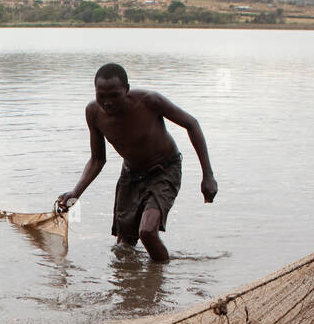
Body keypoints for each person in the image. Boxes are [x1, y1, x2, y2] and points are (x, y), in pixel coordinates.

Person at [57, 63, 217, 261]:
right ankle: (138, 286)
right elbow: (98, 159)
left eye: (114, 95)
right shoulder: (93, 113)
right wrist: (75, 194)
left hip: (164, 170)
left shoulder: (150, 102)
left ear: (126, 89)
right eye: (101, 96)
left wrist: (207, 175)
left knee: (148, 232)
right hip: (131, 174)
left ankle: (161, 279)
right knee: (124, 245)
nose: (107, 102)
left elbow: (191, 124)